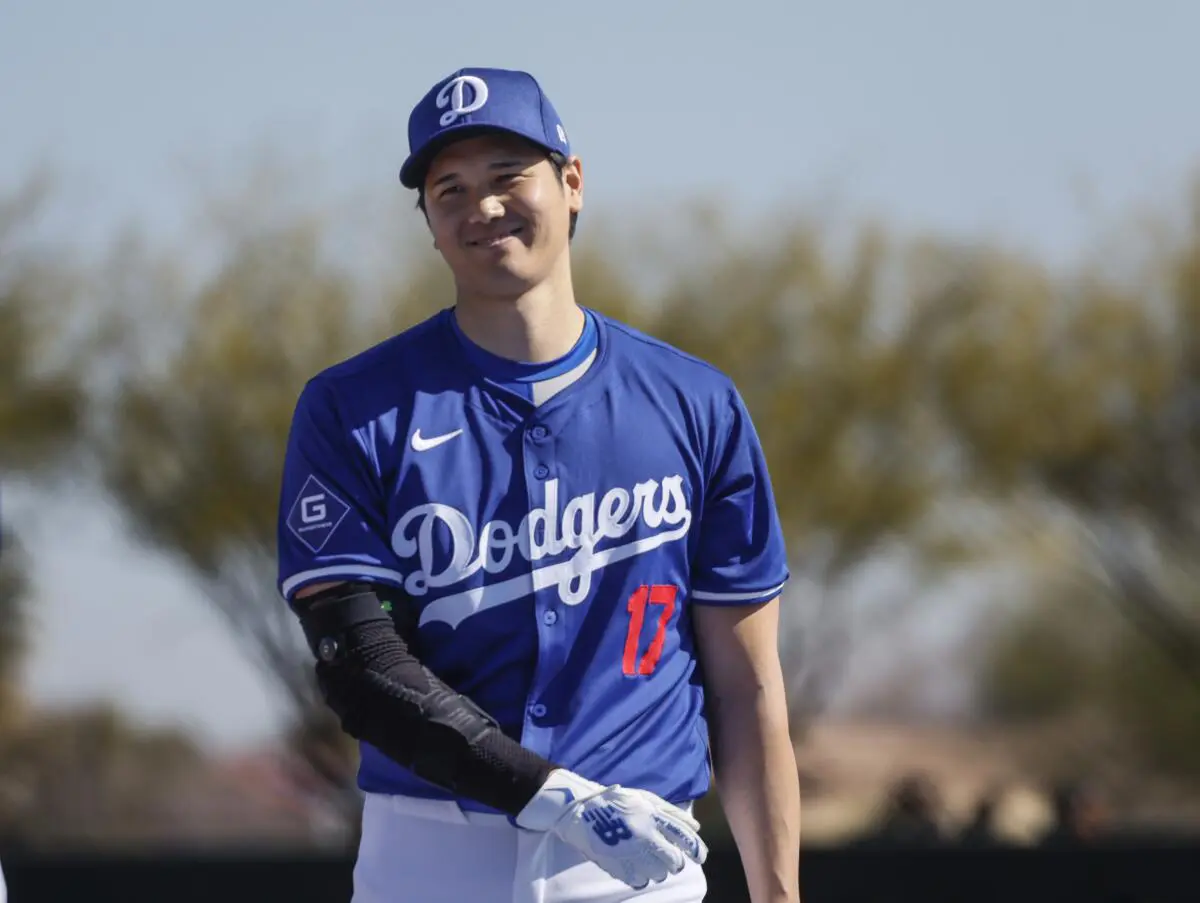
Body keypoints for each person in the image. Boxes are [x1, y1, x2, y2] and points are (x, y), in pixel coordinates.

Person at [276, 66, 801, 903]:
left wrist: (778, 893)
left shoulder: (696, 403)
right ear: (429, 225)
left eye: (507, 175)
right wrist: (553, 796)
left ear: (573, 182)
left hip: (637, 858)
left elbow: (749, 686)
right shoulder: (352, 408)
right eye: (449, 190)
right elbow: (362, 668)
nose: (482, 207)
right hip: (432, 855)